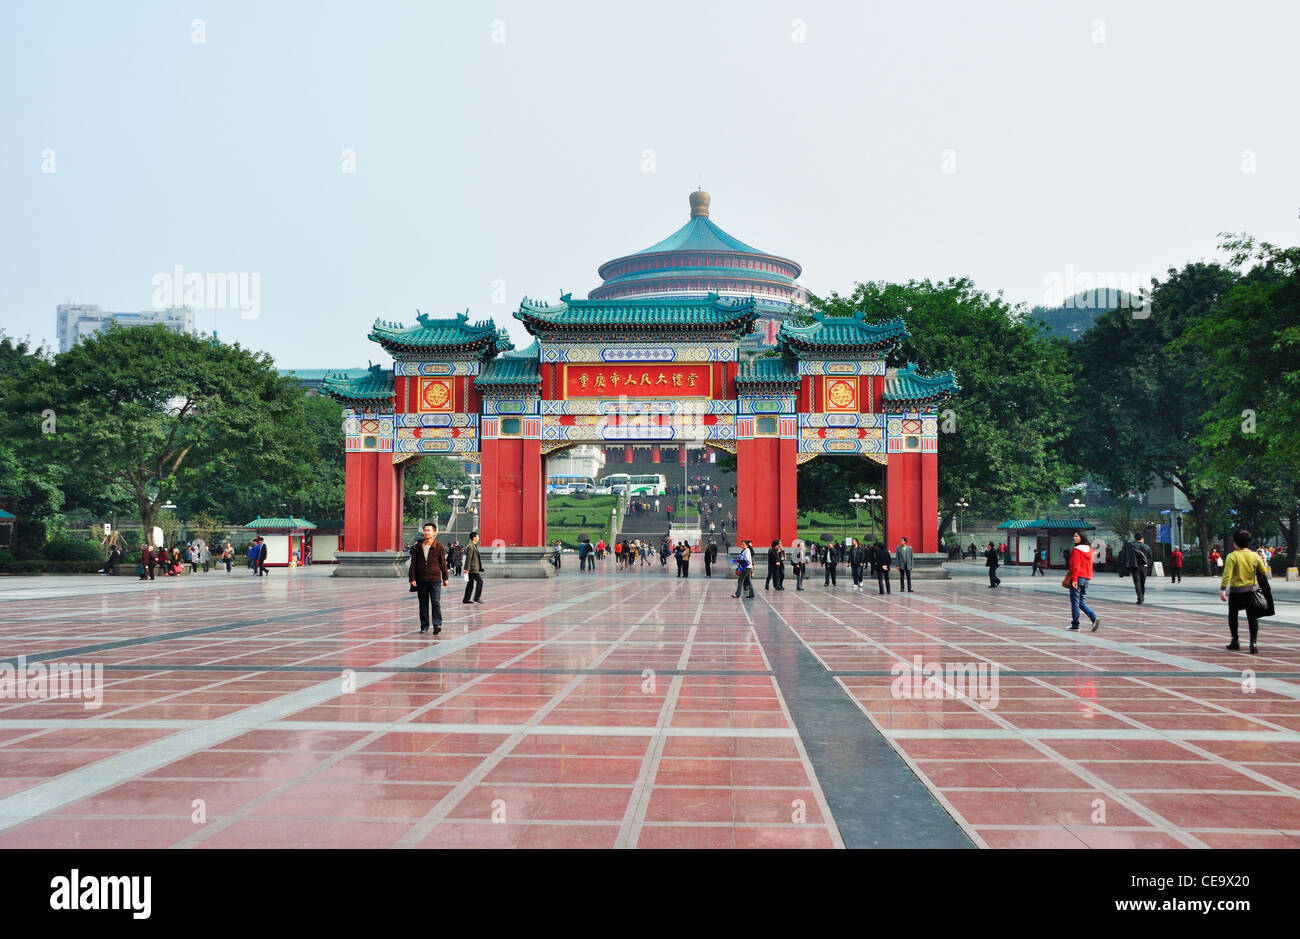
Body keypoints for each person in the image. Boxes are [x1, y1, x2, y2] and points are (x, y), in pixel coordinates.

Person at [1220, 529, 1268, 654]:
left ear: (1235, 543)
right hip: (1252, 591)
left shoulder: (1232, 556)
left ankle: (1235, 641)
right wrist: (1260, 559)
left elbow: (1227, 575)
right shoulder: (1254, 555)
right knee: (1252, 617)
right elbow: (1263, 571)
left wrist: (1223, 589)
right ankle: (1253, 643)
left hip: (1236, 592)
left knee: (1233, 616)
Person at [409, 521, 449, 634]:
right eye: (425, 530)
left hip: (435, 579)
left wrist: (445, 578)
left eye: (429, 530)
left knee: (435, 601)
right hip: (421, 580)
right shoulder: (418, 547)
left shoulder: (439, 546)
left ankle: (437, 624)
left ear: (434, 532)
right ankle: (424, 625)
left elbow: (443, 564)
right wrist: (412, 579)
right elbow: (413, 564)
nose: (426, 532)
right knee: (423, 603)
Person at [1067, 530, 1100, 631]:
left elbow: (1076, 566)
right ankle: (1094, 618)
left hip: (1078, 577)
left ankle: (1075, 624)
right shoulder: (1090, 550)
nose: (1074, 537)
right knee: (1081, 601)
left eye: (1076, 536)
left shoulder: (1077, 550)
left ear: (1082, 537)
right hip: (1086, 578)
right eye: (1074, 536)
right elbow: (1090, 565)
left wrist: (1074, 579)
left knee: (1075, 602)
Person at [462, 531, 484, 605]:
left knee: (470, 583)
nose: (478, 538)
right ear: (474, 538)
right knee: (480, 581)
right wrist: (466, 569)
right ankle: (477, 597)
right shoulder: (471, 546)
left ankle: (466, 599)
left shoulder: (474, 545)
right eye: (478, 537)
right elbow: (468, 558)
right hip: (472, 569)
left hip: (473, 568)